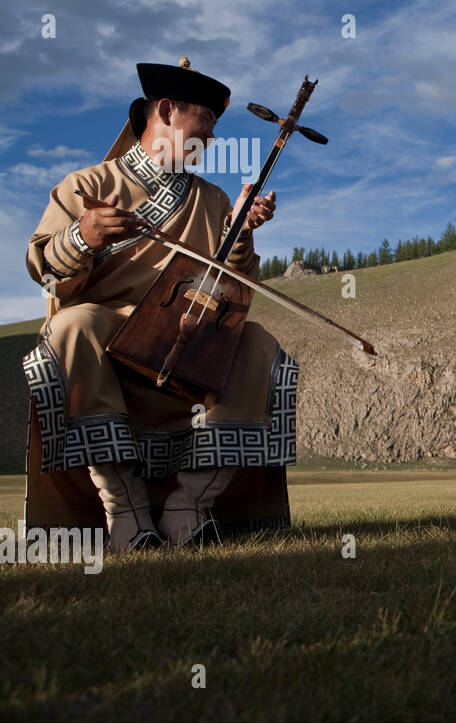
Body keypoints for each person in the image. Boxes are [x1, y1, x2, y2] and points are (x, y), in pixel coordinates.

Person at [23, 59, 296, 550]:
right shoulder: (87, 186)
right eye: (206, 120)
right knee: (75, 323)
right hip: (106, 340)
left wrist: (239, 229)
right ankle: (125, 511)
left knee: (254, 340)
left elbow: (233, 293)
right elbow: (47, 273)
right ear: (167, 110)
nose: (212, 136)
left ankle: (189, 508)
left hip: (184, 340)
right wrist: (82, 236)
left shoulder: (213, 200)